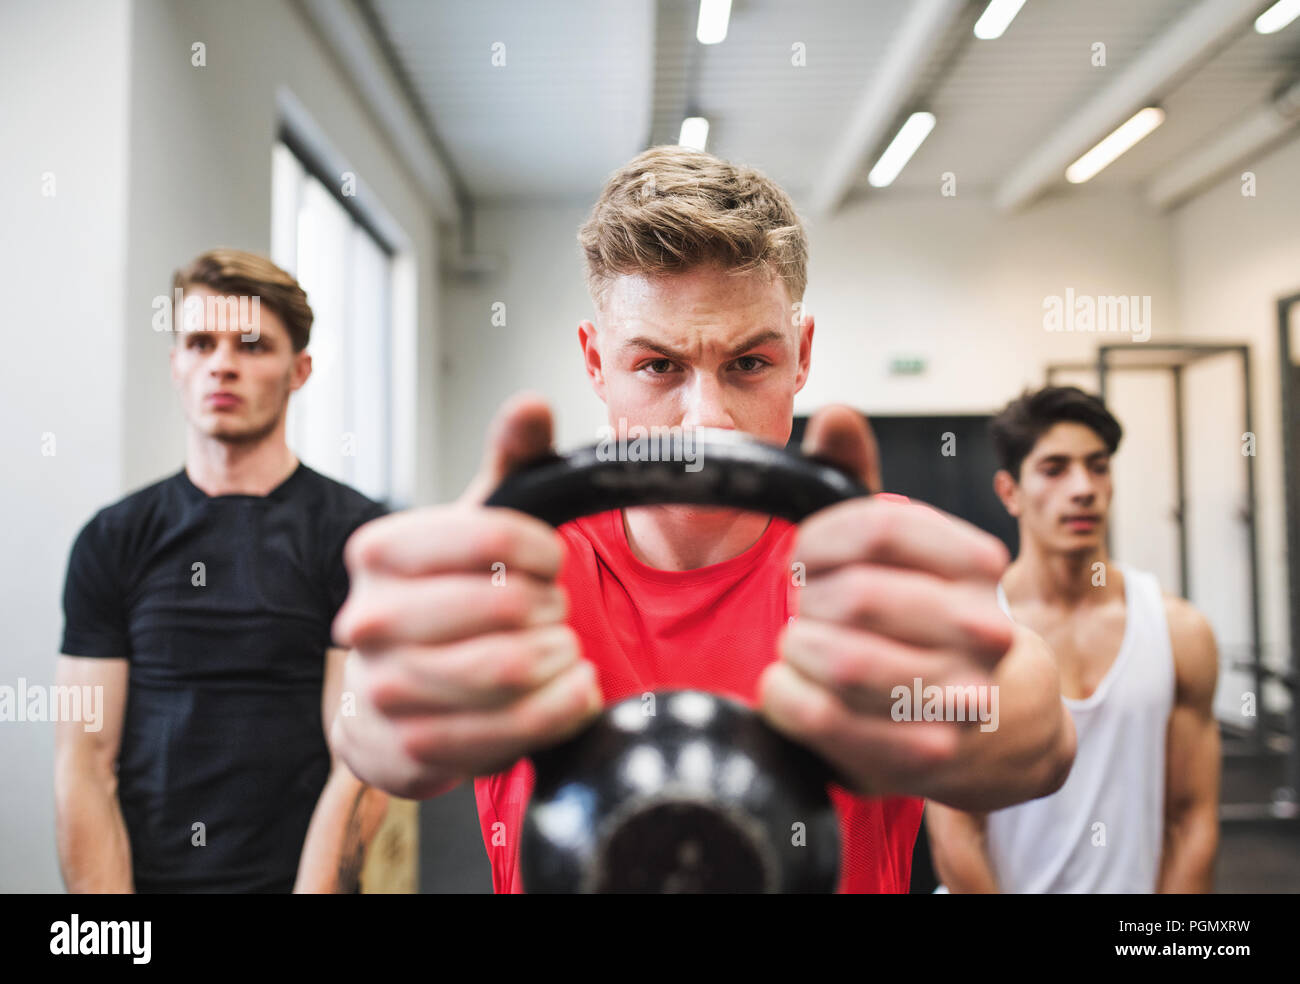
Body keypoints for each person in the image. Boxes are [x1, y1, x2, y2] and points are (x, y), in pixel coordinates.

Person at [332, 146, 1077, 893]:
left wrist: (974, 712)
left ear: (801, 355)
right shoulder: (519, 568)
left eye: (748, 364)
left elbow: (1038, 735)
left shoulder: (868, 558)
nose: (707, 419)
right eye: (659, 367)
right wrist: (392, 692)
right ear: (597, 363)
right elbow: (368, 736)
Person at [55, 249, 389, 893]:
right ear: (176, 364)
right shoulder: (109, 540)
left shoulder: (357, 538)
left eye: (252, 345)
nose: (222, 364)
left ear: (300, 371)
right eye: (200, 342)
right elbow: (83, 760)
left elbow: (358, 762)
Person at [925, 386, 1220, 893]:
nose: (1083, 487)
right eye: (1055, 468)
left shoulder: (1178, 631)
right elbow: (957, 835)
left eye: (1098, 466)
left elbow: (1190, 817)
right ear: (1009, 491)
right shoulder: (969, 633)